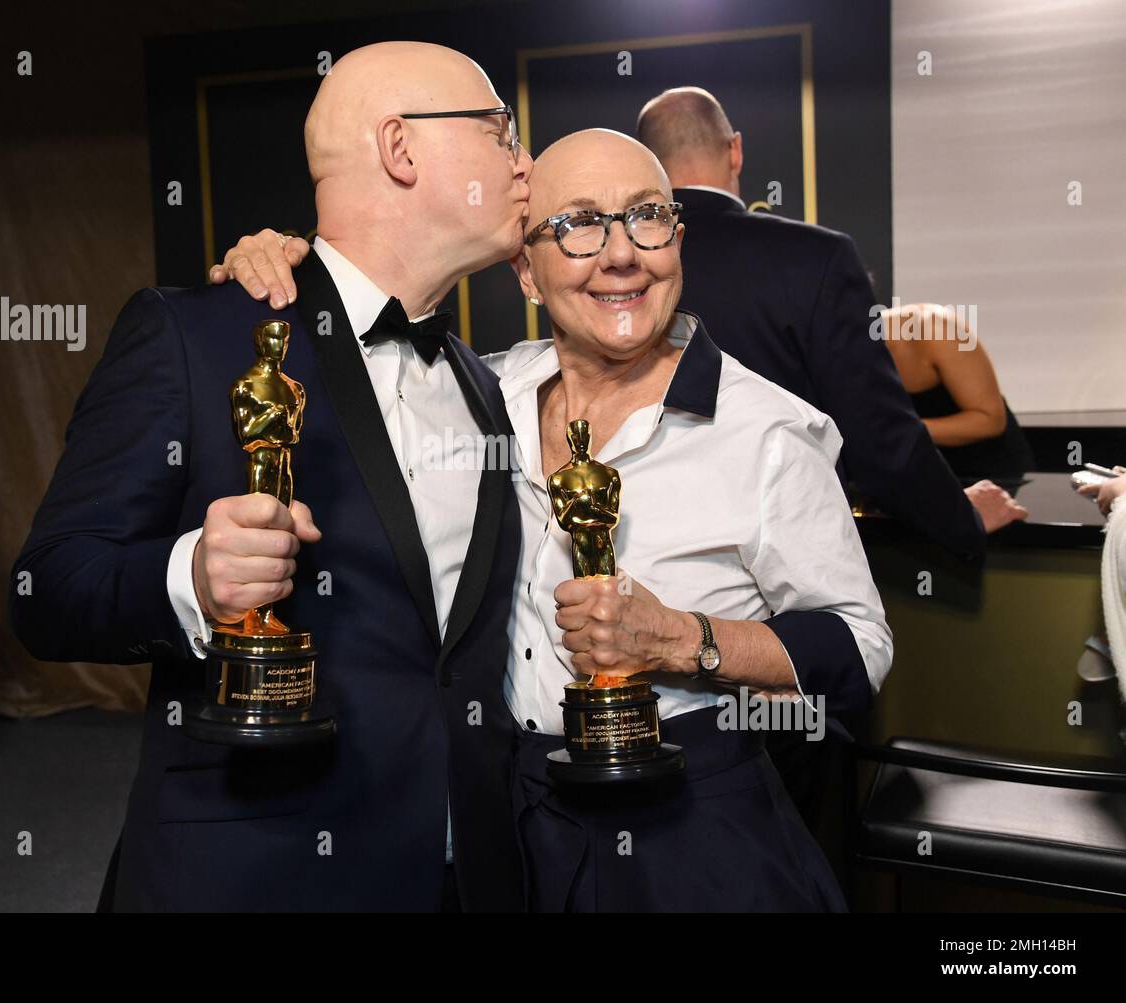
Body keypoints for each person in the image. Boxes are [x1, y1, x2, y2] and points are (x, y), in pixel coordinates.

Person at [215, 130, 892, 911]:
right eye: (578, 225)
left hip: (691, 829)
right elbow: (353, 361)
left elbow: (860, 645)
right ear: (525, 271)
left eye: (647, 216)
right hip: (508, 823)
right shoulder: (481, 393)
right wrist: (273, 267)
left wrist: (681, 638)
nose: (621, 254)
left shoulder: (766, 432)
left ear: (677, 239)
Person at [11, 42, 532, 912]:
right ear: (400, 148)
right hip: (259, 880)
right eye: (500, 132)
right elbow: (45, 588)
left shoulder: (487, 387)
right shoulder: (194, 335)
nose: (524, 163)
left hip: (463, 880)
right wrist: (192, 580)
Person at [634, 87, 1027, 550]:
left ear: (644, 164)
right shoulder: (814, 257)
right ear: (735, 150)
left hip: (652, 544)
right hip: (794, 558)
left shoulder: (614, 267)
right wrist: (963, 518)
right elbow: (878, 442)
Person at [882, 302, 1036, 480]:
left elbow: (990, 420)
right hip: (912, 475)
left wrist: (897, 429)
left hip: (988, 475)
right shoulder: (847, 353)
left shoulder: (933, 326)